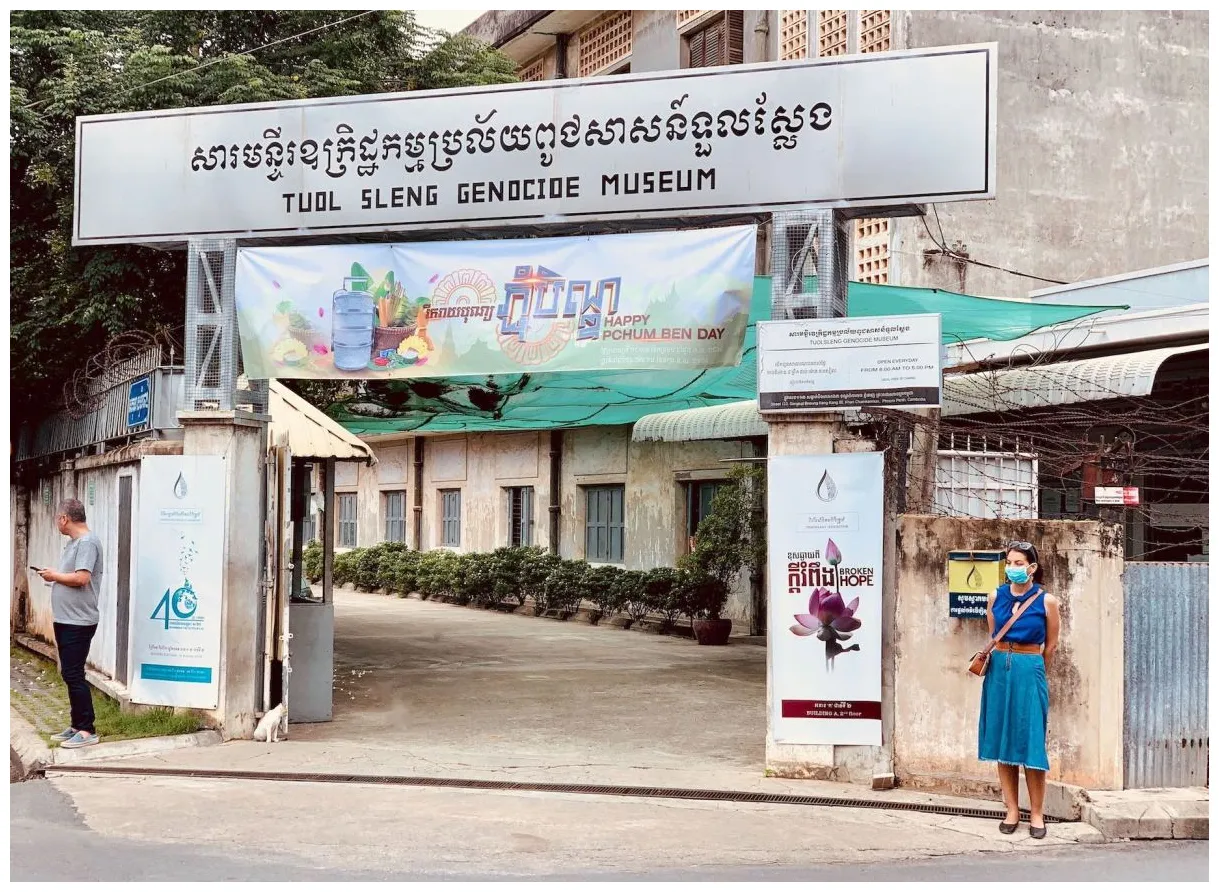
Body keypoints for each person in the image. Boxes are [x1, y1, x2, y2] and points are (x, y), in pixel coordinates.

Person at [978, 541, 1060, 839]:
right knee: (1002, 737)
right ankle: (1011, 809)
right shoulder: (995, 596)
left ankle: (1036, 813)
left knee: (1031, 740)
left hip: (1030, 666)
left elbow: (1050, 645)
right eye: (1009, 563)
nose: (1012, 568)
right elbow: (993, 631)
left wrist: (1035, 669)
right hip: (999, 667)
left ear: (1032, 568)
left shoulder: (1047, 600)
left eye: (1018, 563)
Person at [37, 498, 104, 749]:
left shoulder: (87, 543)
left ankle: (87, 730)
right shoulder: (75, 543)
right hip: (66, 619)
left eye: (57, 518)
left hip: (79, 621)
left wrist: (55, 576)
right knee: (69, 672)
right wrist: (54, 574)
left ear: (64, 519)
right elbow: (71, 576)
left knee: (73, 673)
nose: (57, 522)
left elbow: (82, 578)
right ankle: (76, 725)